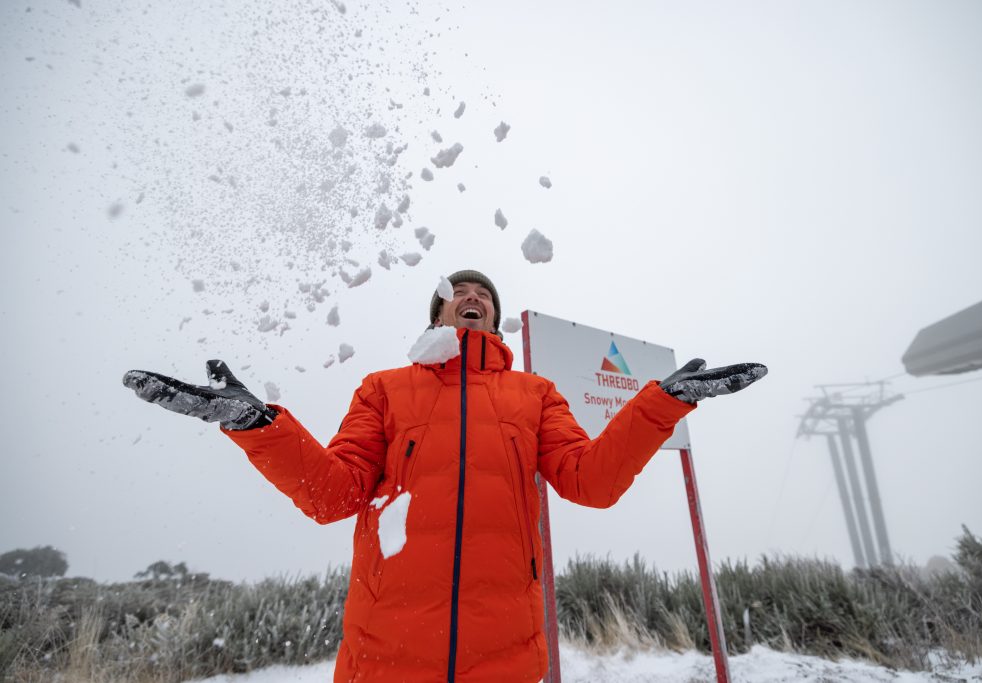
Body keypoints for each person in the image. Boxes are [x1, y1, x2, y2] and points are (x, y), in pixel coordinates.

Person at [123, 269, 766, 683]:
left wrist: (664, 403)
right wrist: (255, 423)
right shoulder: (385, 388)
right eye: (458, 291)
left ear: (494, 318)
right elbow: (333, 495)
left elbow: (588, 481)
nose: (473, 297)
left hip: (507, 658)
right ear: (436, 314)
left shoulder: (533, 393)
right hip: (384, 658)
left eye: (484, 295)